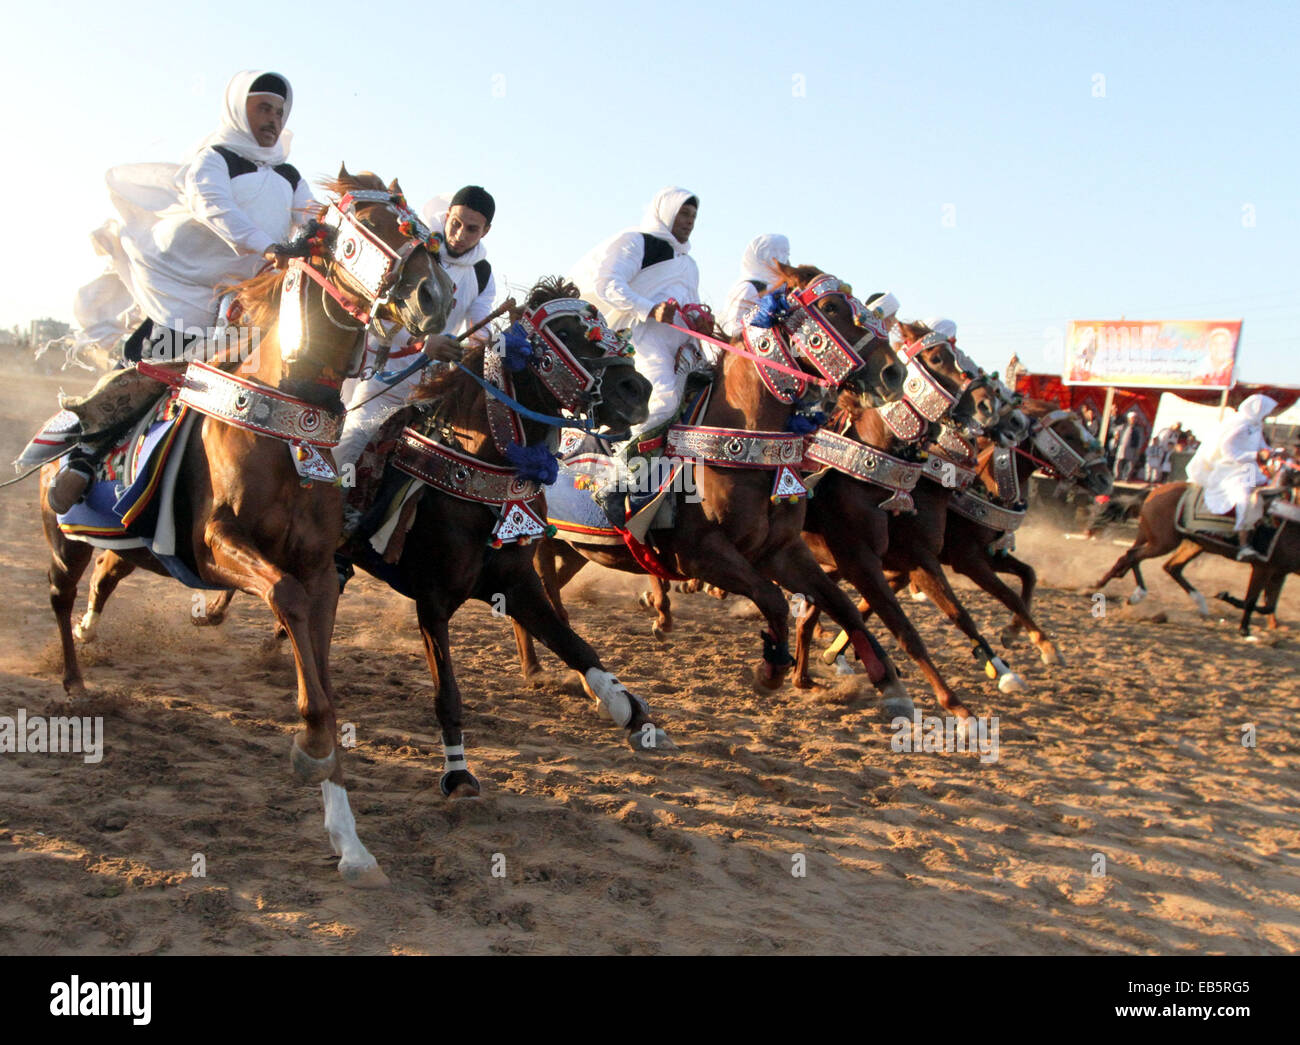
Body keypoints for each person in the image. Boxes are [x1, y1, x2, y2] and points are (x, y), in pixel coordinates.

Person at [22, 70, 313, 513]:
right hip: (188, 286)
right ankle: (85, 457)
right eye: (263, 108)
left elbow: (311, 220)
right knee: (152, 368)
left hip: (251, 301)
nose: (272, 119)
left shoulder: (290, 175)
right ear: (239, 108)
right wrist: (271, 246)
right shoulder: (213, 159)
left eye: (279, 111)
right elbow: (215, 208)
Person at [335, 185, 498, 475]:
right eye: (456, 223)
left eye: (472, 229)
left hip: (431, 390)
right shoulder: (413, 248)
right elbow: (380, 314)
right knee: (349, 448)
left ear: (485, 232)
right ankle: (332, 501)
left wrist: (497, 348)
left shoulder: (483, 275)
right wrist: (423, 341)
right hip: (381, 376)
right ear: (447, 215)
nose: (460, 235)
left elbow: (478, 332)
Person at [569, 187, 708, 524]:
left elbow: (686, 304)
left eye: (693, 216)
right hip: (639, 338)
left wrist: (703, 321)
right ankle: (617, 484)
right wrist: (650, 308)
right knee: (662, 403)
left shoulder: (689, 264)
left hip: (682, 349)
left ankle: (682, 492)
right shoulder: (637, 242)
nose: (689, 221)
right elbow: (607, 283)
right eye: (683, 213)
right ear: (666, 211)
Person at [1187, 394, 1279, 560]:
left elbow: (1263, 447)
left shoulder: (1256, 425)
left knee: (1272, 489)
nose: (1267, 414)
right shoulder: (1238, 424)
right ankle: (1243, 542)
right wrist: (1256, 454)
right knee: (1245, 498)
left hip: (1250, 469)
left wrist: (1276, 452)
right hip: (1230, 469)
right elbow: (1227, 450)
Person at [719, 234, 790, 337]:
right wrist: (760, 324)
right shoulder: (747, 288)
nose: (781, 256)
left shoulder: (787, 289)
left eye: (785, 252)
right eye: (774, 251)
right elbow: (731, 330)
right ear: (760, 254)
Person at [1112, 410, 1146, 481]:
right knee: (1118, 462)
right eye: (1131, 418)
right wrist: (1116, 434)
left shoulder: (1138, 429)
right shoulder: (1124, 426)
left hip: (1132, 448)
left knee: (1130, 463)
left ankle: (1126, 477)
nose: (1133, 420)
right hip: (1122, 447)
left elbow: (1141, 439)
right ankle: (1117, 476)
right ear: (1128, 419)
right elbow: (1114, 429)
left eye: (1134, 418)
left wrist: (1138, 449)